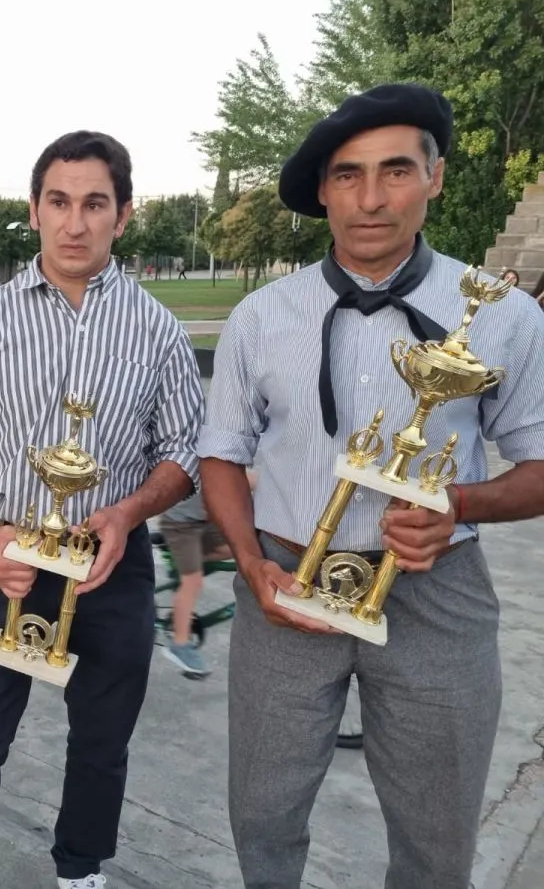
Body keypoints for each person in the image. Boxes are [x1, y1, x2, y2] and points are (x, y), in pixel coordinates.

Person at [198, 82, 544, 889]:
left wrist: (459, 503)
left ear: (436, 177)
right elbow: (221, 454)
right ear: (323, 192)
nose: (372, 198)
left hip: (436, 590)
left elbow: (538, 468)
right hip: (283, 580)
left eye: (396, 171)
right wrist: (251, 567)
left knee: (437, 829)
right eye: (348, 176)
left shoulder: (500, 316)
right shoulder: (262, 315)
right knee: (263, 811)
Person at [0, 130, 205, 889]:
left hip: (110, 565)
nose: (74, 222)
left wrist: (127, 512)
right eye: (58, 202)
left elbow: (183, 452)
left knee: (102, 742)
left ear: (124, 214)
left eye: (94, 204)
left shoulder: (157, 330)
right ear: (34, 210)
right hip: (5, 562)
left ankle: (80, 871)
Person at [156, 478, 252, 677]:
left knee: (238, 546)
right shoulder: (216, 455)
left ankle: (189, 561)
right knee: (192, 581)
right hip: (181, 525)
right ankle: (179, 645)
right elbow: (247, 479)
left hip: (205, 521)